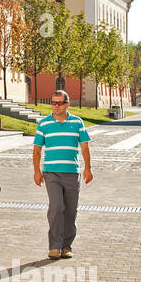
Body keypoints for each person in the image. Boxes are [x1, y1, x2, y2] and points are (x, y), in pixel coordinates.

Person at [33, 89, 93, 260]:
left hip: (72, 173)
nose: (56, 106)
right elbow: (37, 150)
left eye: (60, 103)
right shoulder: (44, 124)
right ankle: (54, 246)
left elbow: (85, 147)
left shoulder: (78, 122)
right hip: (51, 173)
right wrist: (37, 171)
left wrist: (88, 168)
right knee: (56, 207)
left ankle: (66, 246)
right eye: (53, 103)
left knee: (71, 211)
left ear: (67, 104)